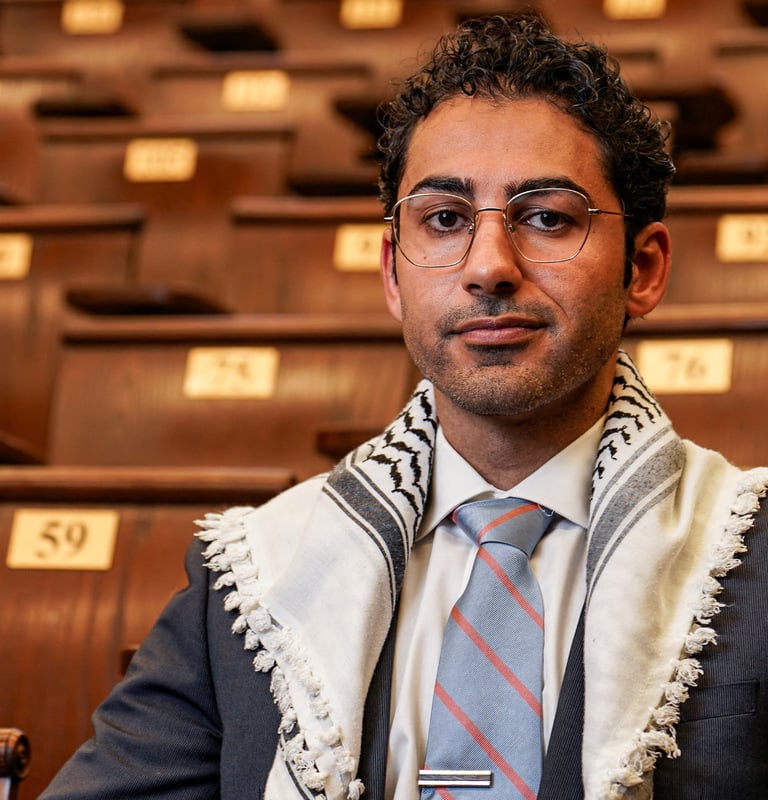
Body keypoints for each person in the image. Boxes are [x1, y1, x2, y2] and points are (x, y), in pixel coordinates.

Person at [39, 13, 768, 800]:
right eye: (446, 220)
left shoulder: (745, 547)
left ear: (644, 269)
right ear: (393, 271)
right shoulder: (255, 580)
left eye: (548, 217)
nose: (489, 266)